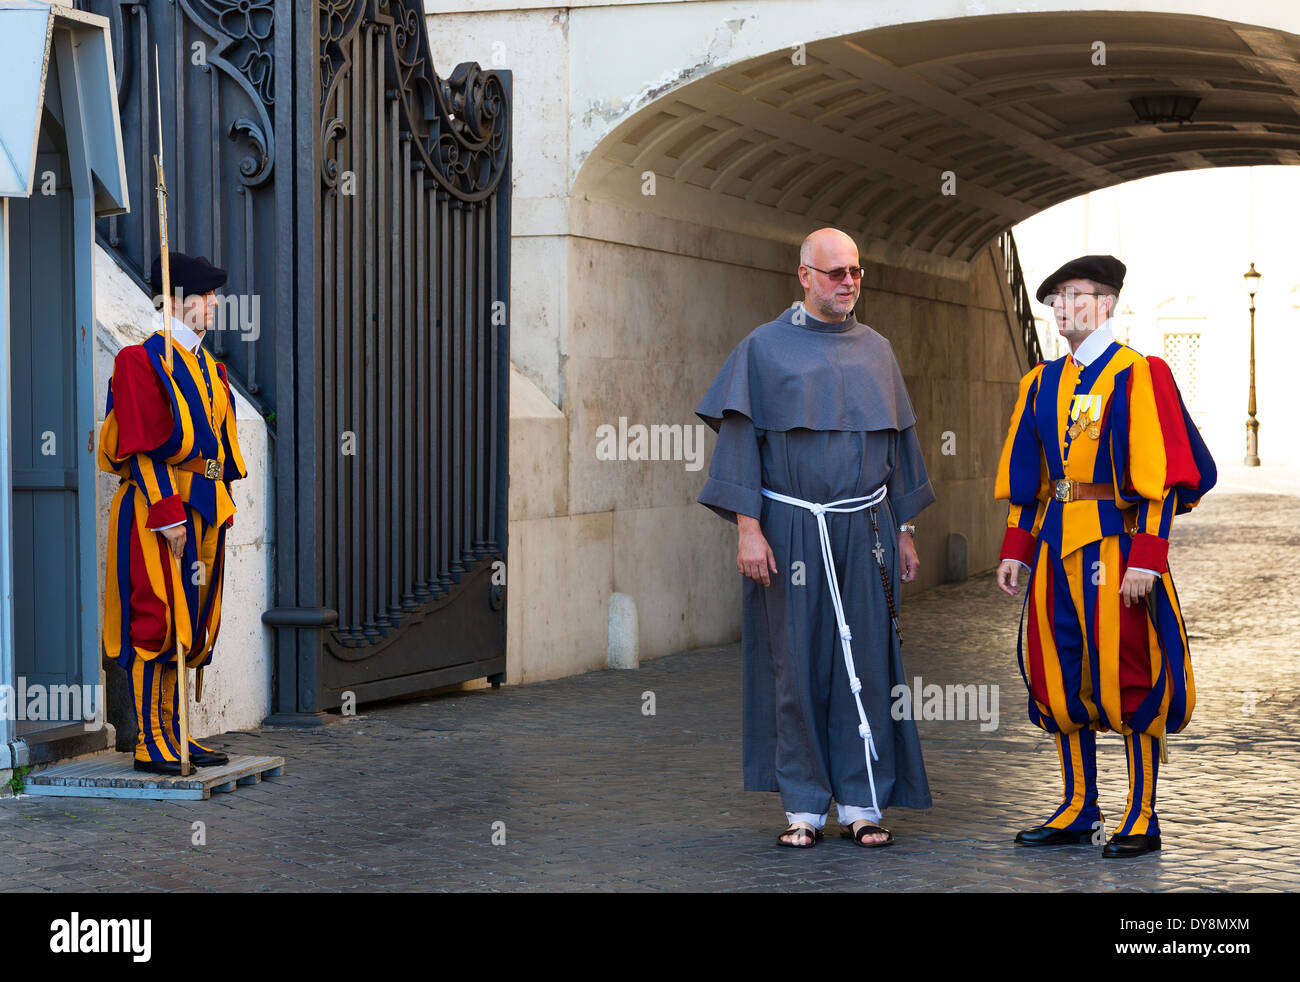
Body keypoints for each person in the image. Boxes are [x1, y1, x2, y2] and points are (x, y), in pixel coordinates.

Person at [695, 227, 935, 848]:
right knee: (795, 665)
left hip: (868, 529)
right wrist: (748, 530)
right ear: (803, 275)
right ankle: (803, 806)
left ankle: (862, 801)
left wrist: (904, 530)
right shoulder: (762, 349)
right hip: (792, 529)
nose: (848, 281)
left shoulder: (878, 349)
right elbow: (741, 442)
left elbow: (899, 445)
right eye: (835, 272)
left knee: (870, 661)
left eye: (855, 271)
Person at [994, 254, 1215, 857]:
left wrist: (1149, 556)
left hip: (1118, 551)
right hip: (1053, 552)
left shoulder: (1139, 374)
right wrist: (1017, 547)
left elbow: (1163, 477)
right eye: (1057, 297)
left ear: (1107, 303)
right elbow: (1028, 479)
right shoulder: (1039, 382)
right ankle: (1076, 805)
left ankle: (1141, 813)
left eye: (1075, 295)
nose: (1062, 307)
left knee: (1131, 673)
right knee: (1060, 674)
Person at [100, 251, 248, 774]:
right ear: (181, 302)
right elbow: (142, 449)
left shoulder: (211, 368)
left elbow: (218, 459)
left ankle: (177, 729)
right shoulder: (141, 361)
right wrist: (169, 514)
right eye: (207, 297)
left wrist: (215, 505)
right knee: (157, 618)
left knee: (194, 620)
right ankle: (149, 739)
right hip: (156, 514)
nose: (215, 304)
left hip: (203, 511)